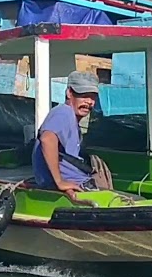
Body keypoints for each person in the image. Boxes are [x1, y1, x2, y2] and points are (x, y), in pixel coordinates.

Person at [32, 71, 101, 200]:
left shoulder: (71, 118)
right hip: (76, 189)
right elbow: (47, 139)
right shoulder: (64, 113)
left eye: (92, 97)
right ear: (69, 93)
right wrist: (59, 182)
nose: (89, 102)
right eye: (83, 95)